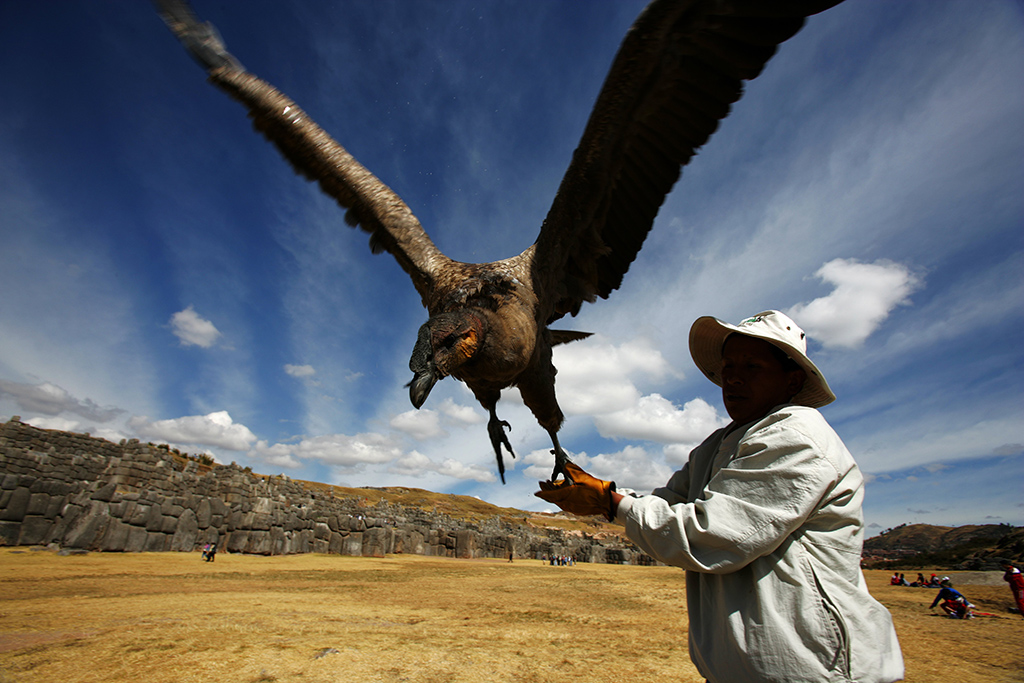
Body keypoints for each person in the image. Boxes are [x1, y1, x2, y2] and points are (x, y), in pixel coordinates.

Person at [537, 310, 904, 683]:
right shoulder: (716, 446)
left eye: (752, 365)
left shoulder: (798, 435)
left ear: (792, 380)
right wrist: (609, 497)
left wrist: (609, 502)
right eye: (727, 365)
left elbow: (712, 534)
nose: (732, 375)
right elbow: (667, 506)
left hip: (815, 668)